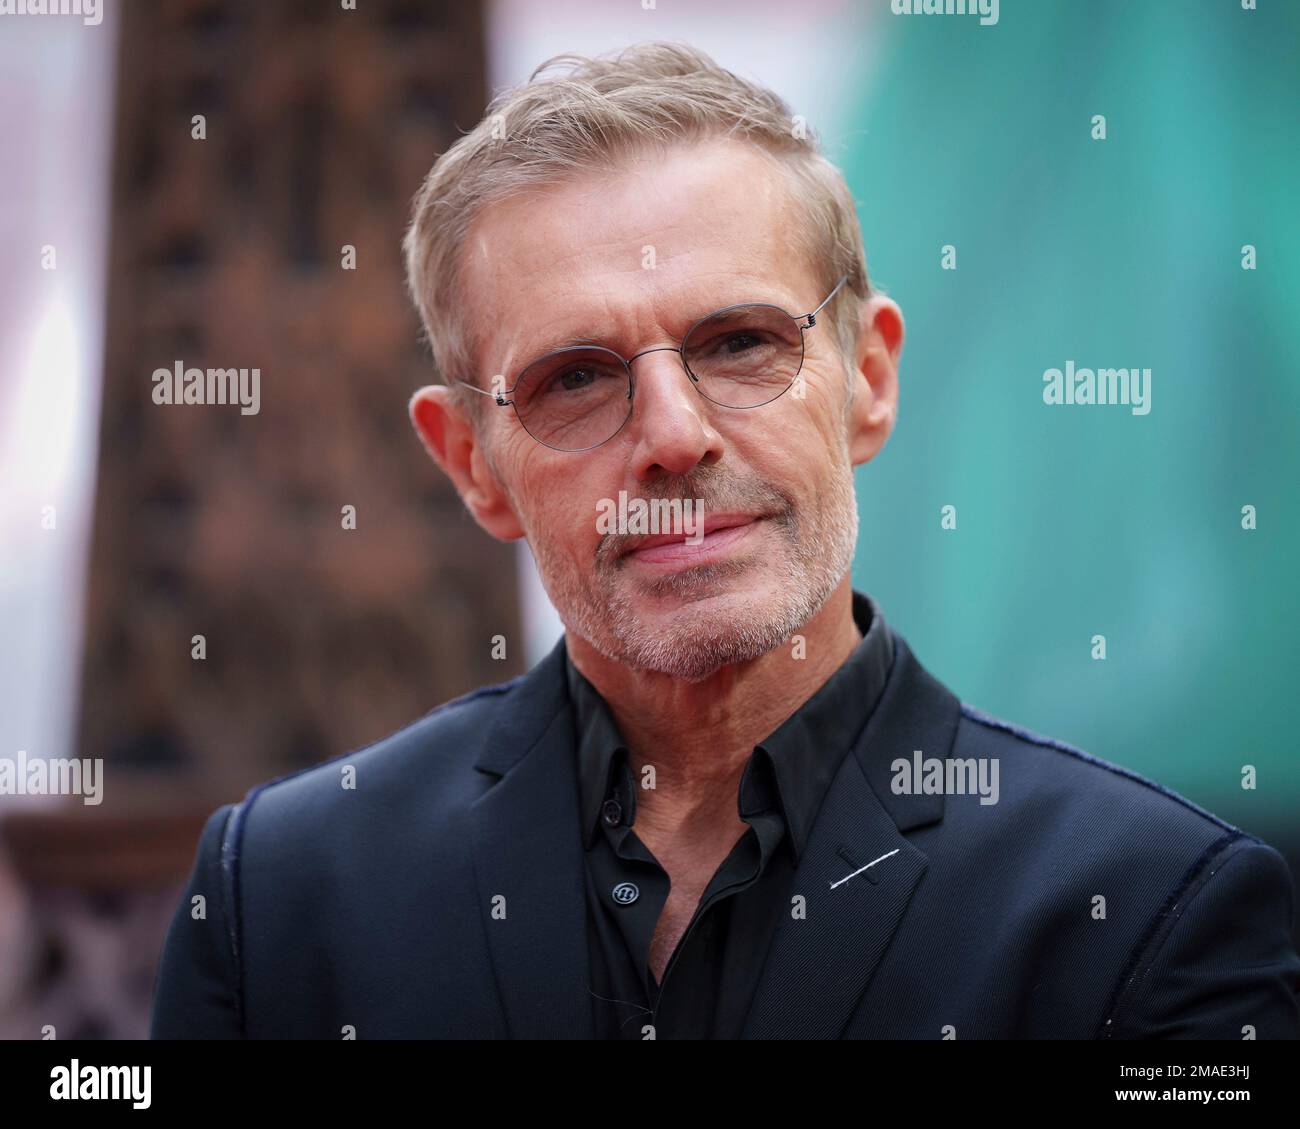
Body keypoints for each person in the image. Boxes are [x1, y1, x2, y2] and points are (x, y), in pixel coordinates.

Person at [151, 42, 1300, 1040]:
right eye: (577, 378)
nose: (671, 436)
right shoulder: (282, 899)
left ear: (869, 380)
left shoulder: (1151, 914)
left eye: (739, 343)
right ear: (470, 463)